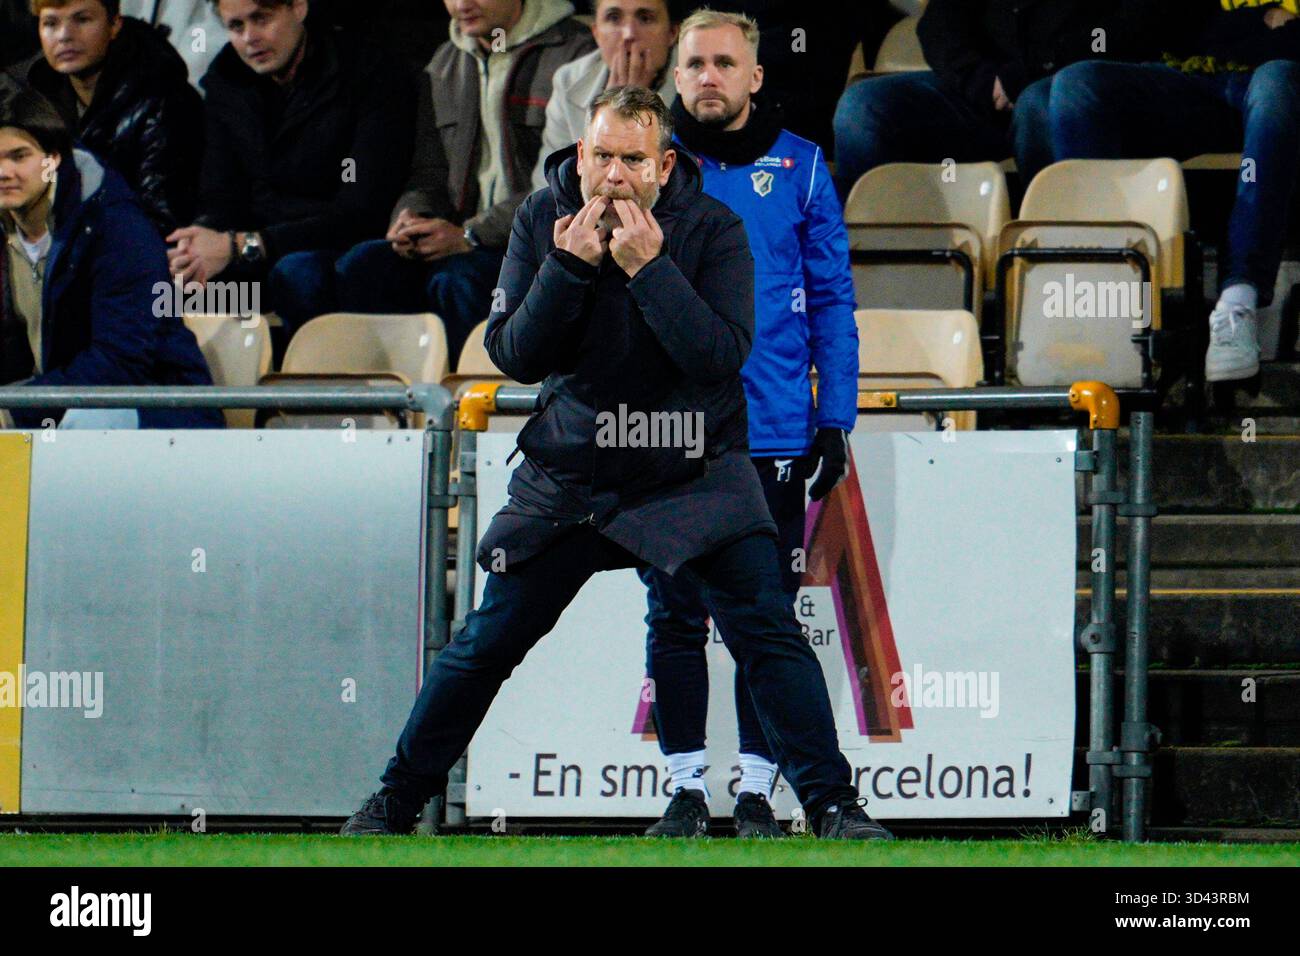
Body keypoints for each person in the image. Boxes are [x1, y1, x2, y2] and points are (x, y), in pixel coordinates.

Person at [341, 86, 892, 841]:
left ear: (664, 165)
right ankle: (394, 800)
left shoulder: (713, 228)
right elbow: (513, 356)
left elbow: (719, 355)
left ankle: (835, 807)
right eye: (601, 155)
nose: (613, 176)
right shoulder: (543, 218)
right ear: (583, 151)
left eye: (632, 160)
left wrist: (649, 269)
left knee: (767, 632)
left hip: (692, 466)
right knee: (484, 641)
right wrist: (566, 268)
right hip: (573, 470)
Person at [633, 10, 857, 839]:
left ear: (756, 76)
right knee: (672, 614)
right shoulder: (652, 167)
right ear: (675, 75)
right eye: (693, 63)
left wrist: (833, 416)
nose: (708, 77)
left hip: (770, 434)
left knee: (766, 623)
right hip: (667, 433)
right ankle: (686, 790)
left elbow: (833, 299)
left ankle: (760, 795)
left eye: (725, 62)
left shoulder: (800, 168)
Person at [1048, 0, 1300, 383]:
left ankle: (1239, 301)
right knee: (1077, 84)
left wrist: (1231, 33)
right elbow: (1154, 26)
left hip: (1277, 91)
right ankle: (1103, 303)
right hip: (1189, 84)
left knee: (1277, 81)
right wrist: (1259, 21)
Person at [334, 0, 593, 368]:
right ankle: (388, 413)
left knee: (457, 281)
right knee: (361, 266)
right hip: (456, 239)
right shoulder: (445, 61)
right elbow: (428, 171)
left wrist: (471, 234)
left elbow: (562, 181)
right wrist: (413, 216)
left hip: (530, 243)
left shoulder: (574, 51)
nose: (461, 4)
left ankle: (465, 411)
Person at [167, 0, 415, 341]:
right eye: (236, 27)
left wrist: (246, 244)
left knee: (298, 273)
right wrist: (198, 244)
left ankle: (319, 390)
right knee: (167, 294)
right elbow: (220, 196)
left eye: (261, 19)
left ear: (298, 7)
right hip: (259, 257)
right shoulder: (226, 83)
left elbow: (362, 212)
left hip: (340, 249)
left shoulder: (368, 72)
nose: (250, 38)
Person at [0, 86, 221, 429]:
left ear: (54, 158)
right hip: (49, 410)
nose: (4, 172)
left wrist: (14, 408)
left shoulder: (116, 226)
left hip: (160, 412)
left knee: (91, 419)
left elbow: (119, 363)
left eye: (19, 156)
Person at [831, 0, 1172, 198]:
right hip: (982, 90)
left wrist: (1033, 70)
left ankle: (1049, 253)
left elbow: (1133, 26)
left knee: (1043, 101)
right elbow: (939, 23)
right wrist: (976, 78)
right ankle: (872, 267)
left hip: (1073, 88)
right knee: (863, 108)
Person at [9, 0, 203, 234]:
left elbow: (164, 223)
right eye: (50, 23)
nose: (64, 35)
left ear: (114, 24)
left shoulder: (165, 100)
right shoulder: (35, 98)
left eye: (82, 19)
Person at [530, 0, 682, 191]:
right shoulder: (568, 81)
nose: (628, 34)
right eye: (614, 18)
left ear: (672, 33)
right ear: (596, 33)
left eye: (645, 18)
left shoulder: (697, 82)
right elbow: (548, 186)